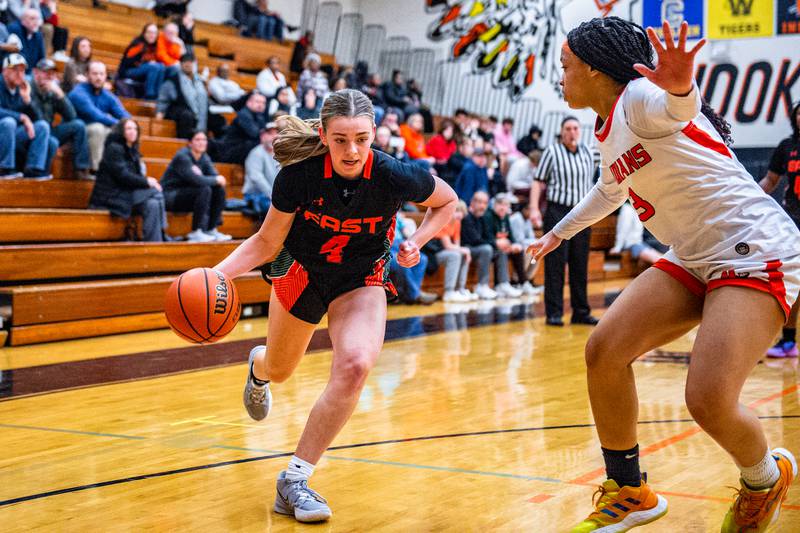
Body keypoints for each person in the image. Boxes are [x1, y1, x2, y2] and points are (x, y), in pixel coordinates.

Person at [528, 18, 800, 532]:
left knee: (707, 398)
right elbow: (610, 191)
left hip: (753, 250)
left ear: (591, 67)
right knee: (604, 351)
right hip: (695, 253)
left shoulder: (638, 99)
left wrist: (679, 84)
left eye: (564, 67)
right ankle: (630, 491)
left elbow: (676, 105)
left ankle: (765, 478)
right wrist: (559, 234)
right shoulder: (608, 124)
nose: (559, 77)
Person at [212, 89, 456, 523]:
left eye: (361, 138)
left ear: (374, 135)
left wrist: (416, 240)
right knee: (282, 369)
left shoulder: (393, 174)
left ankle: (294, 480)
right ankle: (260, 369)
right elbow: (267, 242)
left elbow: (447, 201)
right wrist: (217, 275)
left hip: (360, 278)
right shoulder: (298, 176)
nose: (352, 150)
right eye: (341, 139)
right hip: (302, 271)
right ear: (323, 135)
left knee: (356, 364)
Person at [530, 116, 600, 327]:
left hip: (581, 214)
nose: (572, 132)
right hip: (557, 212)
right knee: (555, 264)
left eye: (575, 128)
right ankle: (554, 312)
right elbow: (538, 181)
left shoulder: (590, 152)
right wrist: (534, 208)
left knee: (580, 264)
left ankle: (580, 311)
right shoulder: (551, 152)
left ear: (580, 131)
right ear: (562, 132)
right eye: (568, 128)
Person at [760, 100, 800, 358]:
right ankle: (788, 341)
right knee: (795, 282)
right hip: (793, 222)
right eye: (799, 114)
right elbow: (770, 180)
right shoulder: (787, 147)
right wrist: (748, 196)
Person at [89, 118, 166, 242]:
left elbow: (135, 177)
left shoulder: (132, 150)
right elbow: (123, 176)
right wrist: (147, 182)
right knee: (156, 191)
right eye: (129, 128)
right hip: (111, 196)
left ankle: (155, 242)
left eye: (135, 129)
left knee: (153, 204)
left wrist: (145, 182)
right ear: (121, 131)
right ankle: (163, 231)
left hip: (126, 193)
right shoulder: (114, 148)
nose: (133, 131)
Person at [161, 130, 230, 242]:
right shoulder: (182, 157)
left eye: (204, 139)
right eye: (197, 139)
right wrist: (214, 179)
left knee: (219, 190)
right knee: (204, 189)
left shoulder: (204, 157)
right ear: (190, 143)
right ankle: (196, 231)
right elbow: (196, 180)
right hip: (170, 196)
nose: (201, 142)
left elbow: (216, 178)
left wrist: (215, 179)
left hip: (188, 195)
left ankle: (211, 229)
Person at [31, 58, 90, 180]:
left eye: (52, 73)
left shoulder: (53, 92)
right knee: (52, 140)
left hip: (49, 131)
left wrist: (61, 95)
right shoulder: (29, 88)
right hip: (33, 131)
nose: (49, 76)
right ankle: (39, 174)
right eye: (46, 72)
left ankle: (80, 169)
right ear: (36, 73)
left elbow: (71, 116)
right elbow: (37, 118)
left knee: (78, 124)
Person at [0, 53, 56, 179]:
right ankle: (4, 169)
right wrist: (21, 117)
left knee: (42, 126)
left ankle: (33, 170)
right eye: (15, 70)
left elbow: (38, 119)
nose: (20, 74)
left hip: (12, 135)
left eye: (22, 70)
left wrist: (28, 101)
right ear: (4, 70)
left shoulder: (23, 88)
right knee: (9, 122)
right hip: (3, 132)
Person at [69, 61, 131, 171]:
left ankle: (120, 170)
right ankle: (98, 171)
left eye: (102, 74)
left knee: (116, 131)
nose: (98, 77)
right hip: (78, 132)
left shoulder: (107, 95)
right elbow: (96, 115)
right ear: (87, 75)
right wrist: (120, 125)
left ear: (106, 76)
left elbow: (123, 114)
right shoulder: (78, 93)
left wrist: (129, 125)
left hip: (97, 129)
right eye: (95, 74)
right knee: (99, 128)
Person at [156, 53, 209, 139]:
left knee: (217, 118)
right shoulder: (173, 80)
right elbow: (163, 98)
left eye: (190, 62)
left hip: (198, 112)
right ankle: (183, 142)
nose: (188, 64)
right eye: (185, 62)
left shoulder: (200, 81)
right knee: (187, 115)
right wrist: (160, 111)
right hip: (178, 110)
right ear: (181, 64)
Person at [390, 212, 438, 305]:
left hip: (400, 242)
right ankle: (415, 295)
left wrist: (412, 242)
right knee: (401, 261)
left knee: (422, 259)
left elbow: (405, 232)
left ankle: (412, 294)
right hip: (388, 246)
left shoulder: (397, 215)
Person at [434, 200, 475, 302]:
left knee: (462, 255)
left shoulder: (457, 222)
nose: (460, 214)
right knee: (456, 255)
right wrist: (465, 250)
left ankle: (460, 289)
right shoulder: (443, 221)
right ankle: (449, 291)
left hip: (447, 251)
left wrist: (465, 251)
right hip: (435, 253)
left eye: (462, 211)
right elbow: (447, 246)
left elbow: (457, 245)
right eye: (457, 210)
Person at [484, 193, 525, 297]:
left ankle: (522, 283)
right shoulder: (488, 216)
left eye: (506, 205)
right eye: (501, 204)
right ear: (495, 205)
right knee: (501, 252)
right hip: (490, 247)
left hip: (502, 246)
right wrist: (497, 242)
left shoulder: (505, 217)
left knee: (519, 250)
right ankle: (502, 284)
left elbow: (510, 235)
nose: (503, 207)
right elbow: (486, 237)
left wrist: (513, 244)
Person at [460, 191, 498, 300]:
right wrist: (495, 243)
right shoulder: (467, 217)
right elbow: (475, 240)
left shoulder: (482, 217)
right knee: (487, 249)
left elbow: (488, 236)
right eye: (480, 202)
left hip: (476, 248)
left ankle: (502, 284)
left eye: (485, 203)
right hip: (466, 248)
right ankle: (482, 285)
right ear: (472, 202)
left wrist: (496, 244)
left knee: (500, 251)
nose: (482, 206)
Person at [212, 91, 267, 164]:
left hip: (241, 150)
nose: (260, 105)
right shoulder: (243, 115)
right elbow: (254, 133)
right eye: (257, 102)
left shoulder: (259, 117)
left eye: (263, 103)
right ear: (248, 102)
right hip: (231, 151)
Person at [118, 23, 166, 101]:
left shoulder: (156, 45)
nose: (152, 35)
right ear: (144, 33)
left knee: (161, 66)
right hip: (128, 71)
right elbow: (127, 62)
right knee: (154, 67)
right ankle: (149, 95)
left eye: (154, 33)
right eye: (149, 32)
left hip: (145, 70)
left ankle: (158, 95)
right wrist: (147, 63)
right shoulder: (138, 44)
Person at [243, 122, 280, 217]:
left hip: (273, 196)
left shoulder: (279, 155)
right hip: (255, 196)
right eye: (270, 133)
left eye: (276, 133)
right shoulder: (256, 153)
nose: (273, 136)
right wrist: (272, 195)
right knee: (279, 211)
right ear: (262, 136)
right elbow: (256, 177)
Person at [8, 8, 44, 73]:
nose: (36, 22)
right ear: (23, 20)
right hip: (16, 72)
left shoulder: (38, 35)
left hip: (32, 73)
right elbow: (16, 57)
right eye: (32, 18)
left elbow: (41, 58)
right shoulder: (14, 29)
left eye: (37, 19)